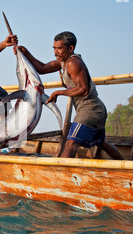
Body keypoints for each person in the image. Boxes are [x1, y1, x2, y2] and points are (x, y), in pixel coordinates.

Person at [17, 31, 124, 160]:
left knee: (70, 143)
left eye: (59, 48)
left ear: (70, 48)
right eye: (54, 48)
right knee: (101, 143)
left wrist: (58, 92)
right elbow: (43, 68)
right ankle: (127, 166)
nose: (56, 51)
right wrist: (25, 52)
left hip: (90, 109)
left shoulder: (73, 63)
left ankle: (61, 174)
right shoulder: (63, 62)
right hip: (96, 109)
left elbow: (83, 89)